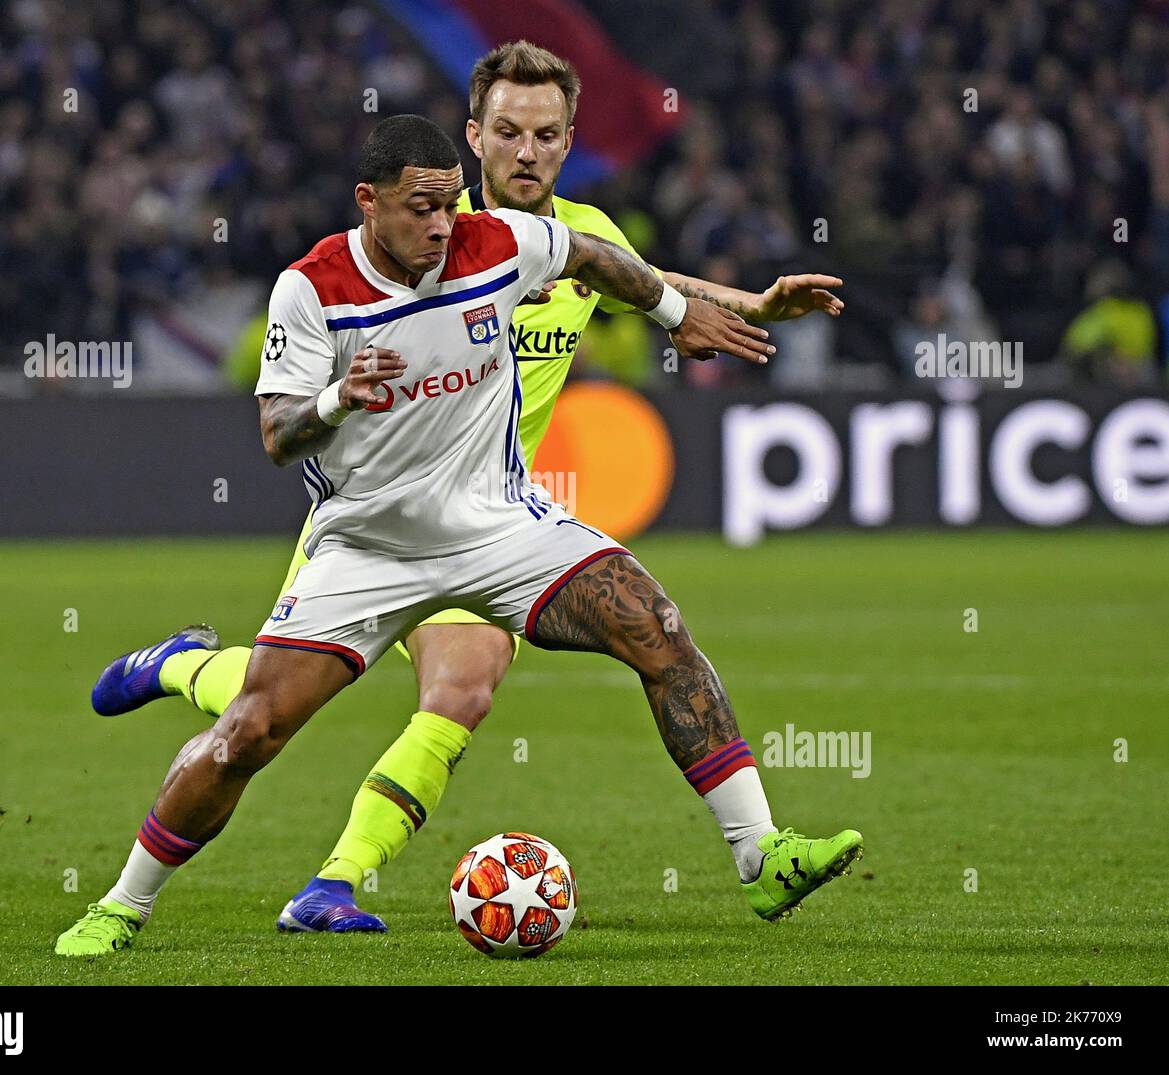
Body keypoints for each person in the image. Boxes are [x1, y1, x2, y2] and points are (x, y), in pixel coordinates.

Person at [75, 43, 851, 945]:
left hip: (495, 518)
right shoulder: (391, 250)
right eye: (510, 134)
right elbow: (282, 428)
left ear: (569, 144)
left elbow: (627, 274)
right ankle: (174, 687)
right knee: (257, 715)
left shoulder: (544, 239)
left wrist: (747, 306)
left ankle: (339, 879)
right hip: (370, 528)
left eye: (549, 135)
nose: (528, 152)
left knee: (506, 676)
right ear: (473, 137)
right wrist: (336, 394)